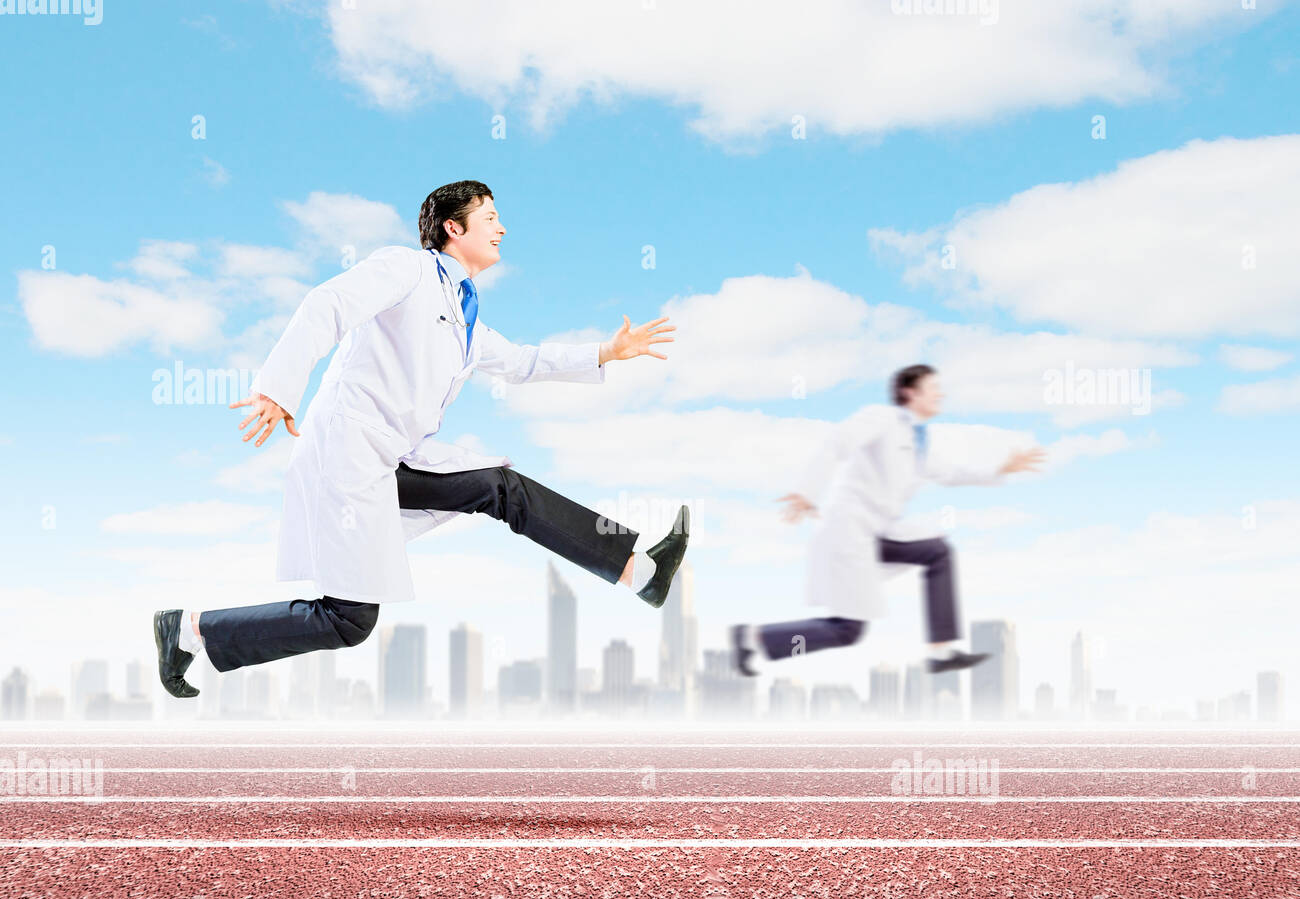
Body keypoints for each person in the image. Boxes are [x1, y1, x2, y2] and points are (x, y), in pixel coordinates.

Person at [154, 180, 687, 698]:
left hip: (393, 462)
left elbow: (524, 362)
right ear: (454, 227)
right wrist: (279, 388)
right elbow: (328, 305)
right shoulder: (405, 269)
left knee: (500, 487)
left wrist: (607, 351)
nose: (503, 228)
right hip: (348, 454)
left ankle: (641, 574)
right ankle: (192, 630)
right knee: (349, 620)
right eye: (491, 218)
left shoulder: (467, 319)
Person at [730, 363, 1043, 677]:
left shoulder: (920, 441)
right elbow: (838, 443)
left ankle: (941, 651)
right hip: (849, 531)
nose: (940, 394)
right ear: (910, 392)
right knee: (848, 631)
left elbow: (952, 474)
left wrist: (1001, 470)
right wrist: (807, 491)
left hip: (876, 535)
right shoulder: (882, 418)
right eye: (933, 388)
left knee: (938, 552)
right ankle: (752, 636)